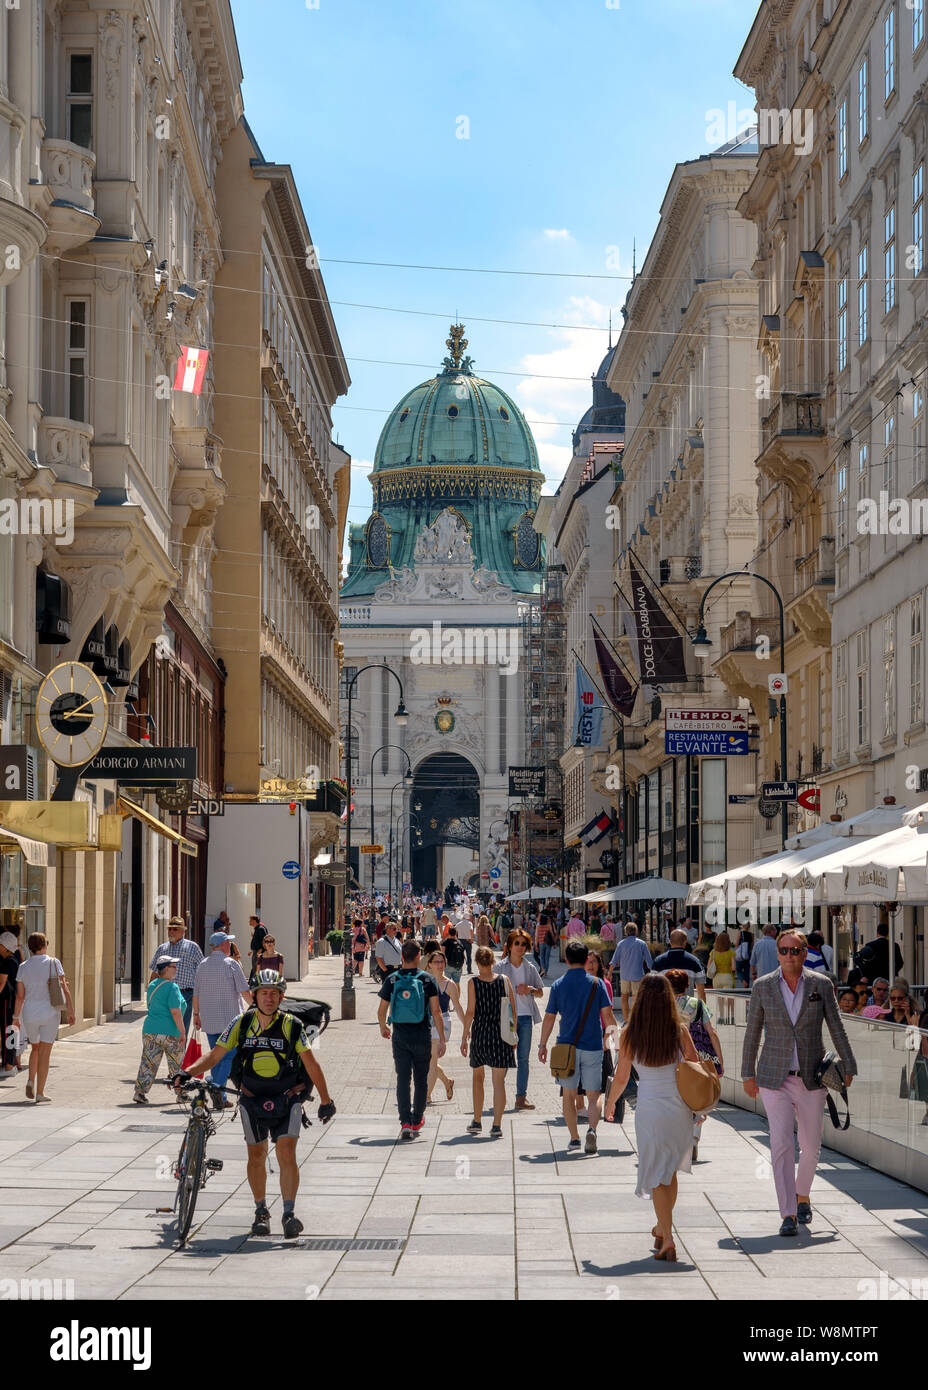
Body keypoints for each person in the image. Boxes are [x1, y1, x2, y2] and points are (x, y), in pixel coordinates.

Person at [175, 969, 335, 1238]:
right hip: (252, 1099)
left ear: (281, 996)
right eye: (264, 993)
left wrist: (326, 1101)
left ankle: (288, 1214)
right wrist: (187, 1072)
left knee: (286, 1154)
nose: (269, 998)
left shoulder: (292, 1025)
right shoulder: (242, 1022)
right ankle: (261, 1212)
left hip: (287, 1099)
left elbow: (312, 1064)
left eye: (274, 993)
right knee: (256, 1155)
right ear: (255, 996)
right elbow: (215, 1055)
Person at [741, 929, 857, 1237]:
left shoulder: (821, 984)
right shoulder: (763, 986)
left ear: (805, 953)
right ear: (777, 953)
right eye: (783, 950)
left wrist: (849, 1064)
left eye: (795, 950)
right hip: (772, 1078)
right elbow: (752, 1033)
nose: (789, 955)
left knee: (810, 1145)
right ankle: (788, 1213)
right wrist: (746, 1074)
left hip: (811, 1077)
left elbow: (837, 1026)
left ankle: (803, 1193)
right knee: (780, 1144)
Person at [604, 972, 701, 1261]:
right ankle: (662, 1226)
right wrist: (697, 1105)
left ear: (640, 999)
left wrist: (610, 1104)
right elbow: (694, 1066)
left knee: (657, 1173)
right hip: (679, 1108)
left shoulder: (631, 1033)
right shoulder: (679, 1030)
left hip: (649, 1108)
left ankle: (668, 1237)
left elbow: (621, 1077)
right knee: (668, 1171)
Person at [538, 941, 617, 1155]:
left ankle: (574, 1138)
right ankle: (592, 1129)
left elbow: (549, 1017)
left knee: (569, 1095)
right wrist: (614, 1038)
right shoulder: (597, 984)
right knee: (594, 1095)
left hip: (566, 1047)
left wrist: (543, 1044)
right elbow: (608, 1015)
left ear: (566, 959)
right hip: (593, 1045)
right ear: (585, 960)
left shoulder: (557, 985)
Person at [378, 940, 446, 1140]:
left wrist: (383, 1027)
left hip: (400, 1035)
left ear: (402, 956)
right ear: (419, 957)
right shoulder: (427, 979)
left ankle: (405, 1121)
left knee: (403, 1079)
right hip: (422, 1034)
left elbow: (381, 1010)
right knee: (420, 1079)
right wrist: (441, 1038)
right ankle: (417, 1119)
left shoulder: (392, 979)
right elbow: (436, 1011)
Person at [11, 932, 75, 1102]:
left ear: (30, 947)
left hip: (29, 1013)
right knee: (45, 1052)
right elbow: (64, 988)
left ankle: (30, 1079)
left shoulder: (23, 966)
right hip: (50, 1012)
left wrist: (16, 1017)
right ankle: (40, 1092)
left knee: (35, 1048)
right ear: (45, 945)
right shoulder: (53, 963)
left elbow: (20, 996)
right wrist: (70, 1010)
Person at [460, 945, 516, 1137]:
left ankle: (476, 1121)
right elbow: (512, 1009)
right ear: (493, 961)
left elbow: (470, 1012)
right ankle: (497, 1125)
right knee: (498, 1081)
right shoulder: (504, 980)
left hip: (481, 1033)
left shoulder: (473, 983)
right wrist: (513, 1033)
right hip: (501, 1034)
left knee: (478, 1078)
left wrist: (465, 1035)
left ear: (476, 962)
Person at [192, 931, 252, 1101]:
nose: (231, 945)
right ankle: (217, 1089)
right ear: (224, 944)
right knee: (228, 1055)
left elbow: (196, 993)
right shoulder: (231, 964)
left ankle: (219, 1093)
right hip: (230, 1020)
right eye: (229, 942)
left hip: (209, 1019)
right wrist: (255, 1007)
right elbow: (244, 991)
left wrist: (196, 1014)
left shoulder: (202, 965)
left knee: (214, 1056)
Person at [495, 930, 544, 1111]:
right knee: (505, 1057)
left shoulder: (529, 967)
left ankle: (520, 1098)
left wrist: (529, 989)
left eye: (523, 944)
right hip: (506, 1017)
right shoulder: (500, 967)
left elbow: (540, 991)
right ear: (509, 945)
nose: (520, 947)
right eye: (517, 943)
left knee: (523, 1059)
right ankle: (498, 1095)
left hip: (525, 1017)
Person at [133, 958, 186, 1103]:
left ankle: (140, 1092)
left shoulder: (152, 985)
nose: (176, 969)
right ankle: (181, 1094)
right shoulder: (172, 988)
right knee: (177, 1063)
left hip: (150, 1030)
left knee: (148, 1062)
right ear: (166, 969)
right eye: (173, 966)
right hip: (170, 1031)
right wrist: (182, 1031)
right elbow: (175, 1011)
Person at [148, 916, 204, 1036]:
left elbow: (202, 971)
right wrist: (150, 992)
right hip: (164, 993)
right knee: (165, 1026)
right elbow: (154, 972)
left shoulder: (192, 947)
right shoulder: (162, 949)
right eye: (170, 929)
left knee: (181, 1028)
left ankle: (179, 1053)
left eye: (175, 929)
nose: (171, 932)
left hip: (185, 994)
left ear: (183, 931)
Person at [425, 949, 465, 1103]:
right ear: (429, 965)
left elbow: (458, 1007)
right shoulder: (424, 982)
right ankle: (447, 1082)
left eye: (442, 962)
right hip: (427, 1023)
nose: (440, 965)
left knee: (432, 1059)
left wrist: (466, 1028)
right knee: (430, 1060)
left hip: (443, 1023)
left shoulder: (450, 984)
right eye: (436, 962)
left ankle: (427, 1096)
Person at [608, 923, 653, 1021]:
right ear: (636, 931)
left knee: (624, 998)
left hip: (624, 975)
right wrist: (653, 972)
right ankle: (635, 1020)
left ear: (626, 932)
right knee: (636, 999)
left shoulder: (621, 944)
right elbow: (649, 961)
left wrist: (609, 973)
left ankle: (626, 1020)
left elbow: (614, 960)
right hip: (637, 975)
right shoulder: (642, 943)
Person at [652, 929, 707, 1002]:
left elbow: (653, 989)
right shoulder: (695, 962)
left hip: (665, 1008)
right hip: (687, 1010)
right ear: (685, 943)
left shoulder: (657, 962)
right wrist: (702, 1011)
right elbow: (701, 993)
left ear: (670, 942)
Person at [0, 930, 22, 1073]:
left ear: (5, 946)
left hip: (7, 1001)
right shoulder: (15, 960)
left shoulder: (7, 962)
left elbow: (1, 983)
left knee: (8, 1031)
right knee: (11, 1032)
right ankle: (9, 1063)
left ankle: (9, 1065)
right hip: (13, 1001)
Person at [248, 915, 268, 980]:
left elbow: (265, 940)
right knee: (255, 967)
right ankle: (252, 981)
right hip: (255, 951)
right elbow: (257, 941)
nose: (249, 922)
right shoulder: (257, 929)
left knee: (257, 967)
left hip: (259, 952)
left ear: (254, 921)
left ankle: (255, 982)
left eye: (250, 920)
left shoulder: (260, 929)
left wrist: (261, 949)